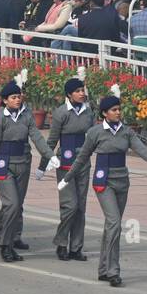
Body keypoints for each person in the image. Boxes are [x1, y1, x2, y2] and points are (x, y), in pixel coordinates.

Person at [65, 94, 147, 286]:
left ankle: (103, 269)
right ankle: (114, 271)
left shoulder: (127, 132)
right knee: (114, 222)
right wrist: (67, 178)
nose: (118, 113)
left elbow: (143, 151)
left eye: (119, 109)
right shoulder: (95, 132)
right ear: (105, 113)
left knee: (111, 225)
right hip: (103, 182)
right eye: (114, 110)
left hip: (122, 182)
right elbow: (81, 157)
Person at [0, 80, 58, 263]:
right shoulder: (0, 119)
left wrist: (50, 156)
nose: (17, 100)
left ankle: (1, 228)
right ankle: (6, 245)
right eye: (13, 97)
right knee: (12, 204)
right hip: (4, 165)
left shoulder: (26, 117)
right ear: (4, 100)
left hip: (23, 163)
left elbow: (37, 138)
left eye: (19, 96)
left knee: (16, 204)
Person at [45, 76, 95, 261]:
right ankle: (61, 242)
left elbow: (92, 136)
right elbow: (52, 139)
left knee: (80, 206)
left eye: (83, 90)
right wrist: (45, 163)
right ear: (69, 94)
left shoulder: (89, 112)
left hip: (83, 161)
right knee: (70, 205)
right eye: (78, 91)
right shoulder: (61, 113)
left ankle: (76, 247)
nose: (82, 94)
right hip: (65, 162)